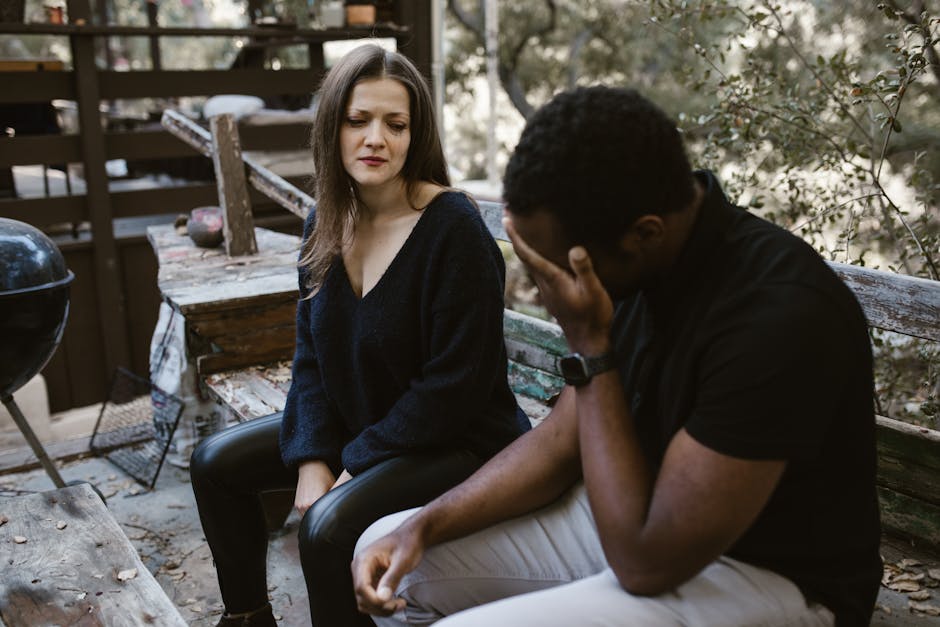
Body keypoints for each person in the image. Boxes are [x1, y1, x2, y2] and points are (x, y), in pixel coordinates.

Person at [352, 86, 882, 626]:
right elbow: (561, 440)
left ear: (644, 233)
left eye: (554, 267)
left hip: (764, 575)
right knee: (389, 554)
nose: (543, 289)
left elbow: (645, 564)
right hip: (631, 514)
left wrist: (591, 345)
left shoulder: (778, 315)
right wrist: (425, 525)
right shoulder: (641, 259)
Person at [189, 44, 530, 627]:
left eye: (395, 124)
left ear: (414, 135)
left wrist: (349, 464)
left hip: (458, 441)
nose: (376, 138)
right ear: (332, 130)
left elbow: (454, 387)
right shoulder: (325, 222)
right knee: (214, 462)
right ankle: (247, 617)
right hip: (364, 423)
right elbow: (311, 360)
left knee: (326, 527)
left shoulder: (452, 228)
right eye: (358, 120)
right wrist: (311, 457)